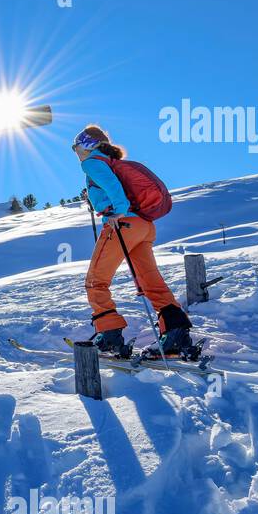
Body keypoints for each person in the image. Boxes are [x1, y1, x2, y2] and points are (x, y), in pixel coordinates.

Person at [73, 125, 194, 358]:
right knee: (150, 280)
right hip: (143, 227)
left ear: (88, 144)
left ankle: (108, 335)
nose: (75, 151)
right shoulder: (111, 163)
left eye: (76, 146)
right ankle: (175, 332)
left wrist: (117, 210)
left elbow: (113, 188)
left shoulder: (92, 163)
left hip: (122, 224)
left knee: (95, 281)